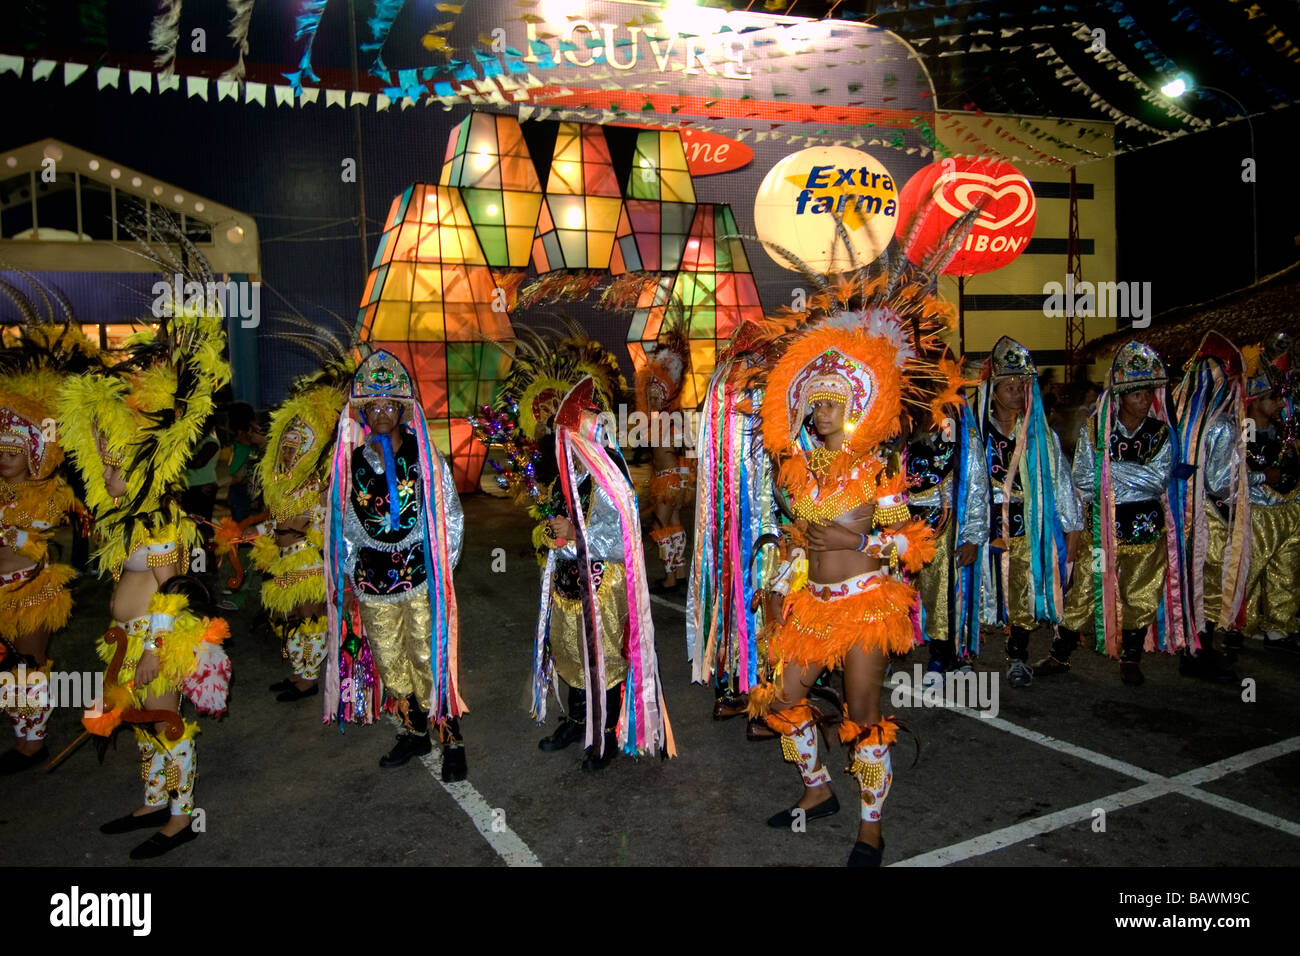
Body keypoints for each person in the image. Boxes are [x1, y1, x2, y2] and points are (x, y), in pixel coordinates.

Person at [748, 312, 941, 868]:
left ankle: (872, 829)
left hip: (865, 605)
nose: (822, 410)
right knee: (783, 698)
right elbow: (799, 543)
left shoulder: (878, 471)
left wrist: (861, 541)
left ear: (855, 407)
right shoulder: (801, 472)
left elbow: (911, 543)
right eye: (816, 401)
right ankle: (818, 790)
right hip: (815, 606)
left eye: (833, 401)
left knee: (862, 714)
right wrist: (781, 584)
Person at [58, 297, 232, 859]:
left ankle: (181, 819)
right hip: (130, 642)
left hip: (160, 642)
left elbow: (174, 591)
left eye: (116, 461)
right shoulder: (126, 520)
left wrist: (156, 648)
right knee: (142, 725)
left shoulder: (161, 521)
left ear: (144, 465)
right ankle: (154, 799)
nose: (106, 471)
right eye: (102, 457)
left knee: (167, 724)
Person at [323, 350, 467, 779]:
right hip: (371, 583)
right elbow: (344, 523)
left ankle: (451, 740)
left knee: (429, 658)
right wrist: (347, 574)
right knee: (390, 661)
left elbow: (450, 515)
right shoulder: (350, 463)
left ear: (403, 409)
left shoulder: (426, 459)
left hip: (421, 578)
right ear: (364, 412)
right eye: (374, 407)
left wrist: (443, 568)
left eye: (390, 405)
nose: (382, 413)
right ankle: (414, 731)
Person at [531, 378, 675, 769]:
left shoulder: (610, 483)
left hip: (601, 587)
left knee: (604, 661)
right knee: (570, 655)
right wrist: (552, 532)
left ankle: (606, 735)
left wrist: (575, 534)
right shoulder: (566, 479)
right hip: (567, 586)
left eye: (569, 440)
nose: (564, 448)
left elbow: (620, 541)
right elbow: (553, 524)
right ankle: (578, 721)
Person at [1054, 341, 1191, 685]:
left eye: (1147, 395)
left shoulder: (1160, 433)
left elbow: (1157, 480)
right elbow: (1083, 478)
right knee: (1084, 587)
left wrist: (1109, 471)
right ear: (1120, 397)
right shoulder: (1094, 430)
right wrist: (1122, 474)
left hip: (1146, 529)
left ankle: (1131, 657)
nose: (1144, 402)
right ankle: (1061, 653)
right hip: (1101, 530)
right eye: (1136, 395)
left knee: (1140, 592)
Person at [967, 337, 1083, 686]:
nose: (1017, 393)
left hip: (1027, 528)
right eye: (1010, 386)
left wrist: (1071, 534)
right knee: (982, 592)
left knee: (1024, 593)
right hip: (985, 527)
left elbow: (1061, 482)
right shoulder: (976, 433)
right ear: (994, 389)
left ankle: (1017, 657)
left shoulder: (1038, 435)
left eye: (1022, 386)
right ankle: (961, 654)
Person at [0, 324, 83, 772]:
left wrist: (7, 533)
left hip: (30, 589)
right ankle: (22, 738)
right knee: (7, 670)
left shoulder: (50, 492)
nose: (3, 459)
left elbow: (33, 542)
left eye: (11, 453)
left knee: (28, 665)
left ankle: (34, 744)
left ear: (32, 453)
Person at [252, 362, 351, 704]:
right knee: (291, 616)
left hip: (307, 552)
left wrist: (313, 533)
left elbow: (323, 515)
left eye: (296, 443)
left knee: (310, 616)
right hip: (286, 553)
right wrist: (258, 531)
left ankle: (308, 680)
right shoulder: (288, 481)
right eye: (287, 443)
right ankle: (299, 671)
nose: (289, 448)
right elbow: (281, 516)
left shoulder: (319, 478)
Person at [1170, 332, 1248, 681]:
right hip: (1210, 518)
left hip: (1182, 513)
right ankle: (1200, 653)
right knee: (1208, 584)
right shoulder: (1223, 425)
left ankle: (1194, 651)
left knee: (1190, 583)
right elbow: (1220, 482)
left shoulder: (1180, 415)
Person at [907, 399, 988, 675]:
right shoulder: (894, 416)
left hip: (944, 518)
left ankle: (943, 654)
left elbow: (975, 478)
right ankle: (888, 652)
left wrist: (973, 535)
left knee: (943, 589)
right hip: (896, 517)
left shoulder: (955, 422)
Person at [1239, 342, 1299, 650]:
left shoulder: (1282, 433)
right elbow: (1229, 478)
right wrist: (1265, 476)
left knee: (1285, 571)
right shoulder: (1239, 434)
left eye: (1279, 397)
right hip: (1256, 513)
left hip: (1287, 512)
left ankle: (1279, 626)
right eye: (1271, 398)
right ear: (1253, 400)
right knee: (1249, 571)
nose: (1278, 404)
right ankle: (1240, 625)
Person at [637, 319, 693, 592]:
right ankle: (679, 573)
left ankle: (670, 578)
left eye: (654, 395)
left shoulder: (667, 418)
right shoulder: (666, 417)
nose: (650, 399)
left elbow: (682, 447)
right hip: (672, 475)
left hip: (670, 477)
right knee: (672, 522)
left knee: (660, 524)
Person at [226, 401, 266, 522]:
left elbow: (238, 475)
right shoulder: (254, 431)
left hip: (245, 489)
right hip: (244, 488)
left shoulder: (249, 434)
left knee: (244, 526)